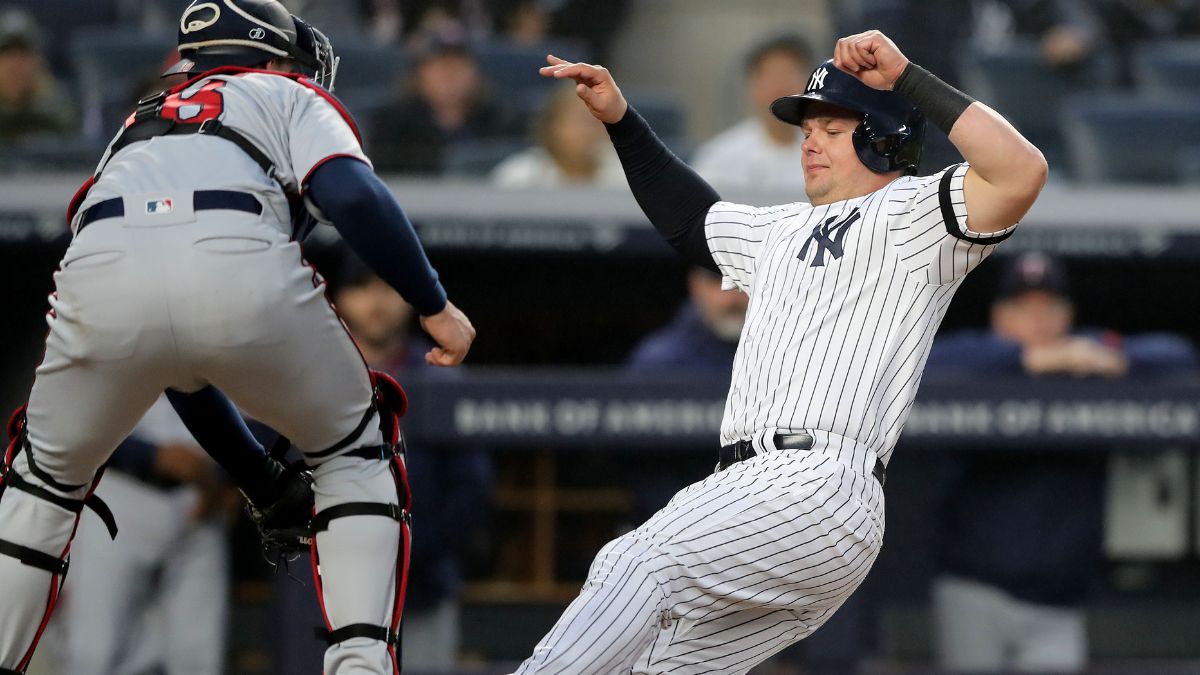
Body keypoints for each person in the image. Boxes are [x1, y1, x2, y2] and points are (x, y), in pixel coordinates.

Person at [523, 28, 1047, 671]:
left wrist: (907, 76)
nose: (810, 144)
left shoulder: (915, 218)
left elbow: (1022, 170)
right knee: (657, 663)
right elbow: (692, 222)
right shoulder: (778, 227)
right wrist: (622, 122)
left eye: (831, 129)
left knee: (632, 562)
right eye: (807, 132)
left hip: (817, 479)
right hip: (755, 491)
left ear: (882, 137)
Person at [0, 2, 475, 675]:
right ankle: (362, 664)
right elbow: (355, 197)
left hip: (94, 275)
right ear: (274, 56)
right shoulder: (285, 91)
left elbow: (174, 356)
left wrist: (257, 475)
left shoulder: (133, 128)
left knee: (42, 484)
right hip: (238, 253)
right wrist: (434, 304)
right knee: (354, 449)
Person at [927, 251, 1197, 674]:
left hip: (1057, 602)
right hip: (974, 588)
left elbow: (1176, 352)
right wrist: (1027, 360)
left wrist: (1113, 357)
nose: (1038, 320)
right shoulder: (978, 360)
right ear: (1000, 315)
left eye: (1049, 307)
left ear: (1067, 313)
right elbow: (933, 361)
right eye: (1023, 308)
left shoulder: (1086, 356)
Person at [272, 253, 491, 673]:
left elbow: (471, 489)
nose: (377, 299)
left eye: (388, 286)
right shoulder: (308, 373)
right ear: (338, 298)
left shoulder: (441, 377)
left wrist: (411, 549)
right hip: (324, 584)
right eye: (361, 286)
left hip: (422, 583)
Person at [58, 395, 237, 675]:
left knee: (200, 660)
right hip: (120, 495)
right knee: (95, 654)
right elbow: (68, 413)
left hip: (202, 500)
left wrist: (228, 474)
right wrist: (148, 455)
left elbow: (267, 417)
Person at [371, 35, 520, 174]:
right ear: (418, 76)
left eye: (459, 66)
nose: (449, 76)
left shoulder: (502, 122)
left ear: (476, 76)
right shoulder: (392, 125)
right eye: (440, 67)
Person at [690, 34, 814, 193]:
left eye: (789, 72)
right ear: (752, 86)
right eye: (771, 74)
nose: (781, 83)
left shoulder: (828, 152)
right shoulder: (721, 157)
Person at [491, 83, 626, 188]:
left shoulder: (628, 176)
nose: (589, 131)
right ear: (552, 127)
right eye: (580, 121)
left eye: (597, 122)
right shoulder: (518, 178)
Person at [0, 9, 75, 144]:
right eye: (7, 53)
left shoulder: (56, 116)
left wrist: (48, 101)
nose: (15, 65)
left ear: (38, 62)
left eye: (24, 53)